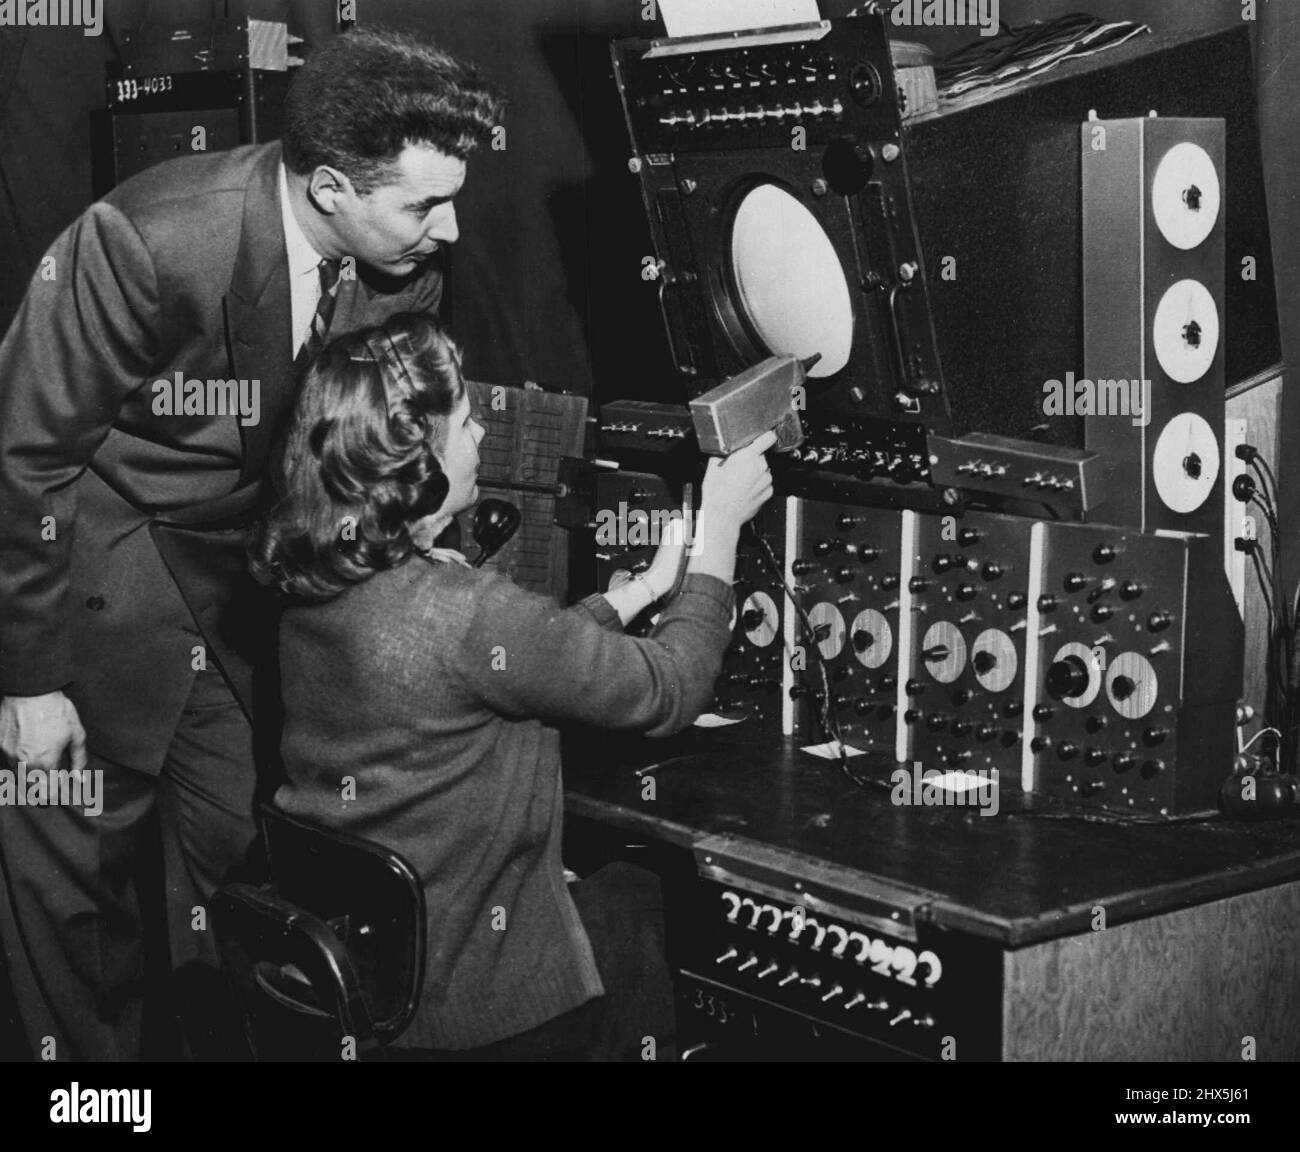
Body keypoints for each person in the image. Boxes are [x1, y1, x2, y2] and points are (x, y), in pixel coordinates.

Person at [0, 27, 504, 1060]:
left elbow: (357, 442)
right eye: (422, 204)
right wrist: (27, 684)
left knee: (255, 869)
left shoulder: (397, 257)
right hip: (88, 579)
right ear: (328, 188)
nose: (447, 231)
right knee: (73, 898)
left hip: (240, 590)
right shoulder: (153, 238)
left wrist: (412, 555)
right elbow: (23, 453)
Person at [249, 313, 775, 1059]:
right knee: (648, 890)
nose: (482, 436)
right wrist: (717, 537)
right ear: (418, 459)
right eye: (465, 422)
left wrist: (644, 590)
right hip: (483, 1012)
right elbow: (670, 687)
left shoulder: (319, 584)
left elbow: (505, 665)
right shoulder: (465, 611)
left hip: (379, 982)